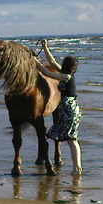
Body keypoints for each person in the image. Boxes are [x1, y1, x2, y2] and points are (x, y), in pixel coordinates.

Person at [35, 39, 82, 174]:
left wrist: (35, 61)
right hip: (71, 110)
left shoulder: (65, 77)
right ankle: (77, 168)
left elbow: (48, 72)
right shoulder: (68, 75)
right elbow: (51, 63)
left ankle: (77, 168)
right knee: (72, 139)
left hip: (69, 111)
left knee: (72, 140)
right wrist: (45, 47)